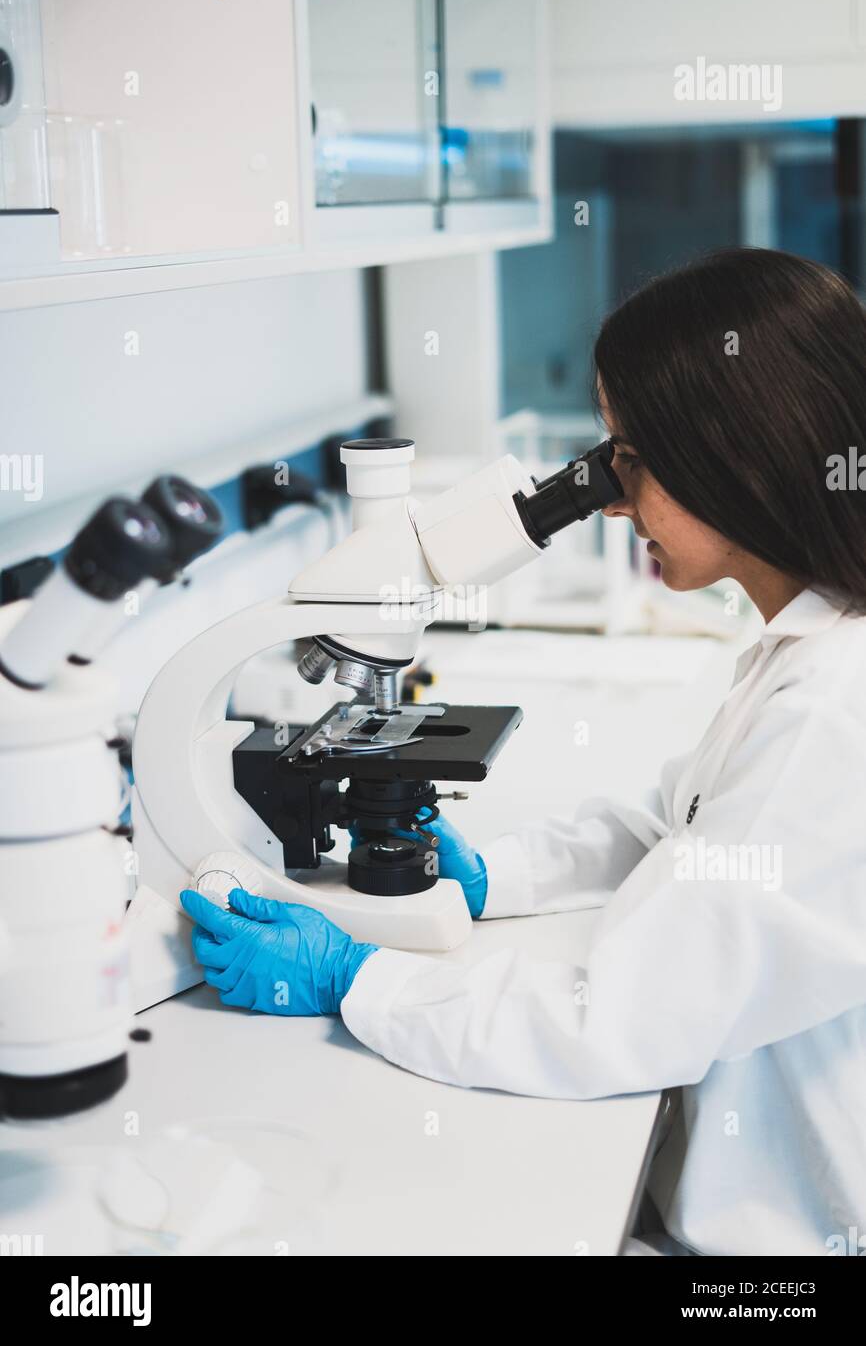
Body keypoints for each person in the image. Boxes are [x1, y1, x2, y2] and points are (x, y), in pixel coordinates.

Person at [181, 248, 866, 1257]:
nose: (611, 498)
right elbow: (674, 828)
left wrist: (356, 980)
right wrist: (489, 875)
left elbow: (614, 1022)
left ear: (739, 455)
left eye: (630, 457)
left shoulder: (830, 711)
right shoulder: (809, 648)